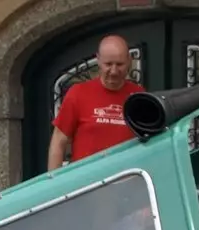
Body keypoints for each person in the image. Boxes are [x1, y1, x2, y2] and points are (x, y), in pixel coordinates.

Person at [47, 35, 144, 170]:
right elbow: (59, 140)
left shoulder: (139, 96)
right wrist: (54, 184)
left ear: (129, 61)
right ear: (98, 60)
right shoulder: (78, 93)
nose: (114, 71)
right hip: (87, 182)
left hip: (125, 180)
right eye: (108, 64)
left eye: (120, 64)